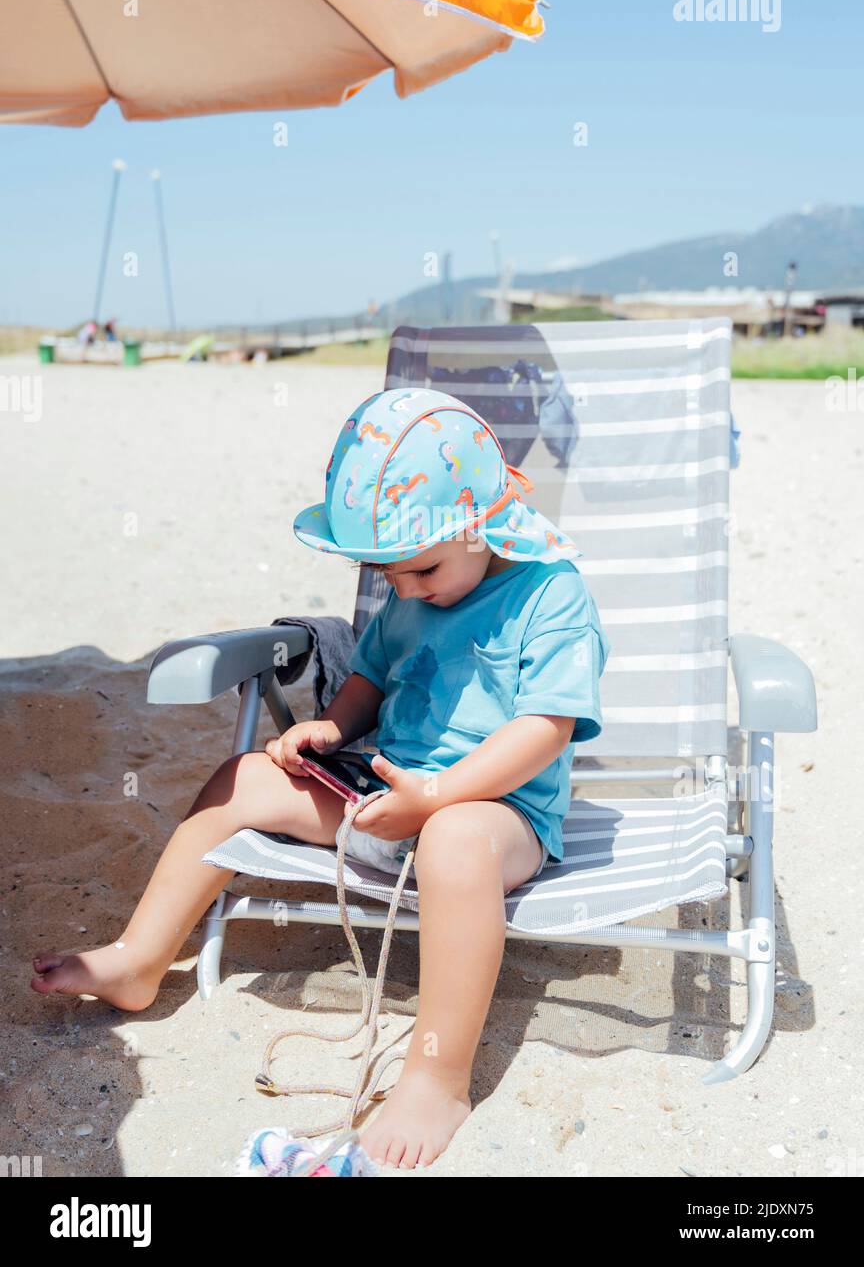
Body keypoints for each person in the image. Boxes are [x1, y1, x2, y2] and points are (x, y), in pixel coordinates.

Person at [31, 386, 610, 1171]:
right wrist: (333, 726)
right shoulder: (414, 592)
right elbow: (371, 674)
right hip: (377, 794)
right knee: (240, 778)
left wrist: (437, 796)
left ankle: (437, 1077)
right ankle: (140, 957)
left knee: (453, 841)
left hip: (493, 811)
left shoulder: (551, 593)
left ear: (481, 527)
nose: (403, 589)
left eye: (422, 570)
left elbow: (547, 726)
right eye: (387, 573)